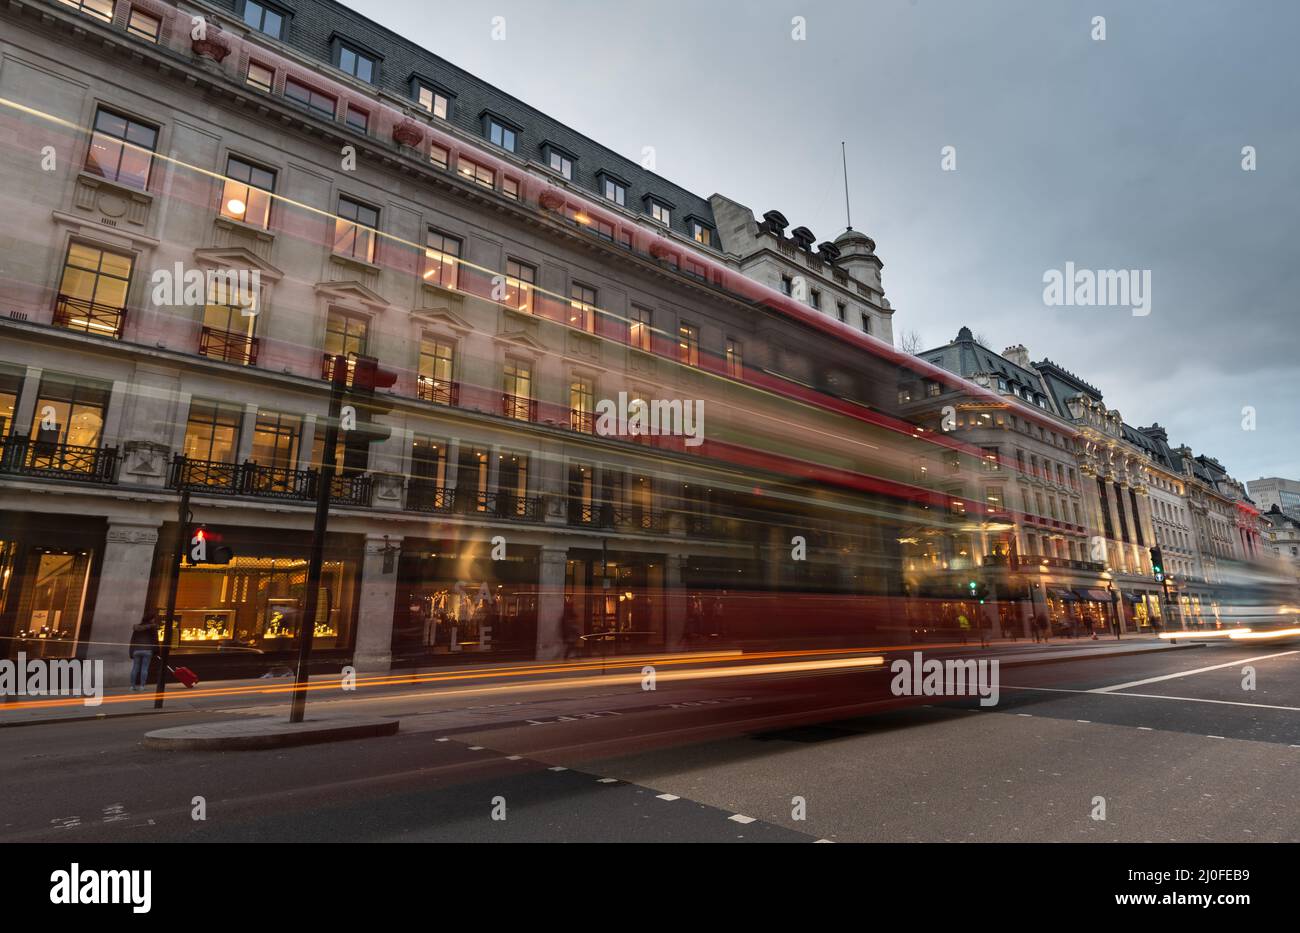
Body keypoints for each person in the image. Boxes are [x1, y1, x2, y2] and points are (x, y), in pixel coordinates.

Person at [128, 613, 159, 691]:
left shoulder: (137, 628)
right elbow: (155, 640)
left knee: (135, 668)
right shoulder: (153, 628)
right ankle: (142, 686)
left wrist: (131, 651)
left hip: (136, 650)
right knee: (144, 668)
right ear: (151, 619)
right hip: (147, 650)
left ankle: (132, 686)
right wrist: (157, 651)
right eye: (153, 619)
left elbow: (133, 640)